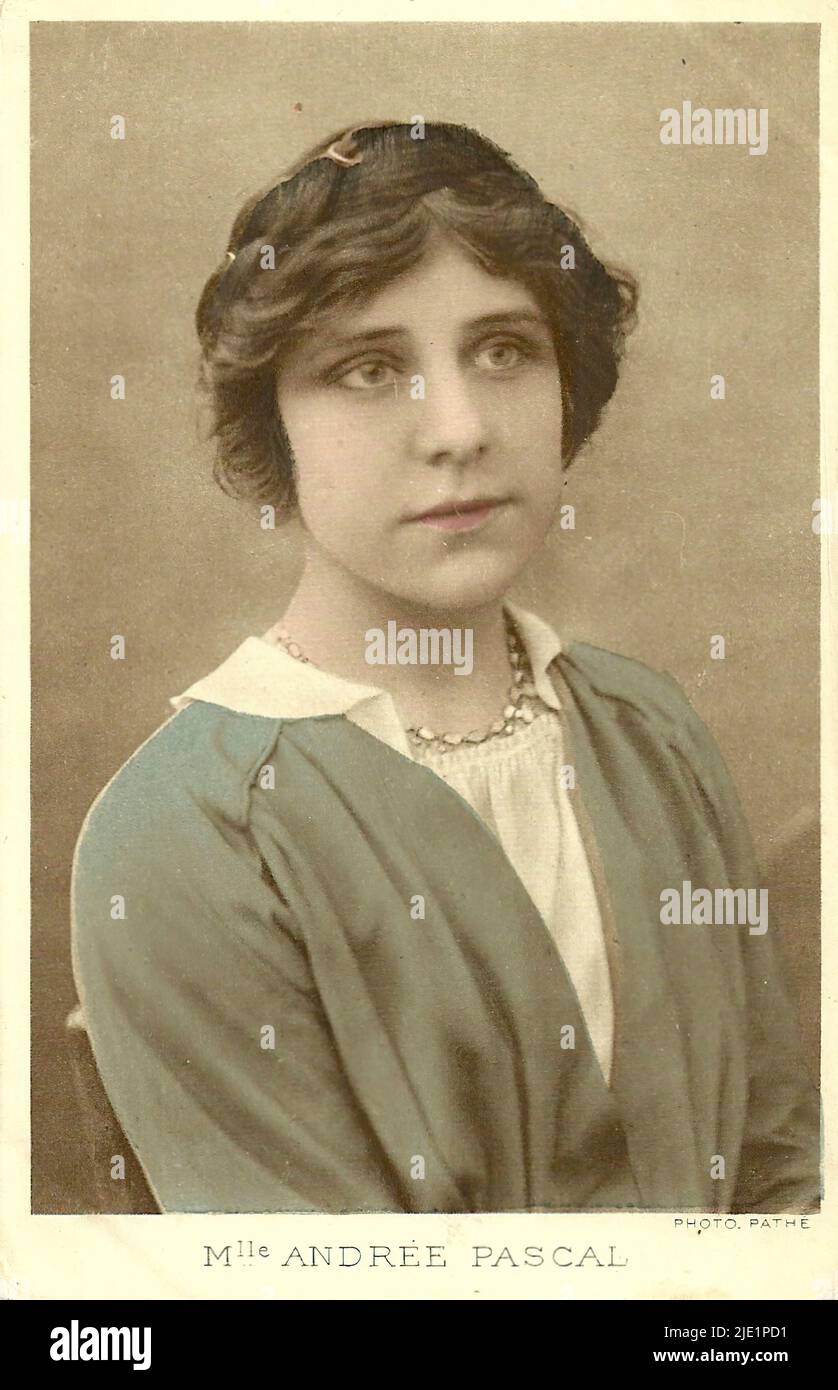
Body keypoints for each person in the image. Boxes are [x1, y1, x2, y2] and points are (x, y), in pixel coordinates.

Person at [68, 120, 821, 1215]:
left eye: (504, 350)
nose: (459, 427)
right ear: (272, 423)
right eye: (369, 369)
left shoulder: (647, 727)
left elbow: (779, 1172)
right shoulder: (189, 832)